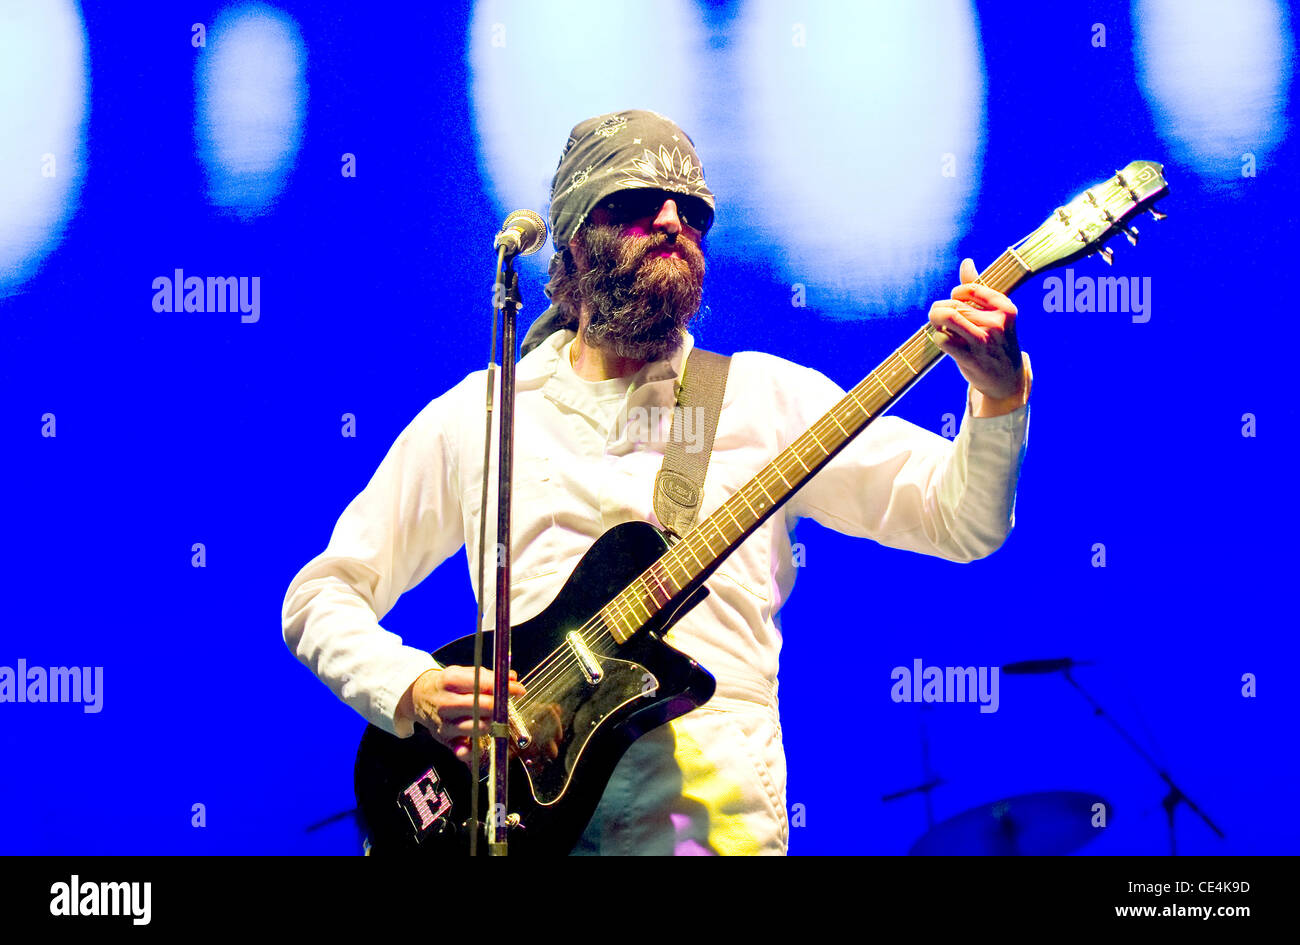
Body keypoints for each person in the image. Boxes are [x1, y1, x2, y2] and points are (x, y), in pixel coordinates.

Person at [281, 109, 1031, 855]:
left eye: (693, 211)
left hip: (714, 833)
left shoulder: (765, 399)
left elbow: (960, 520)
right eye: (639, 203)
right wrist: (410, 687)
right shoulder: (485, 415)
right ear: (576, 236)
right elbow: (321, 595)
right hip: (518, 828)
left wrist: (998, 395)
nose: (673, 221)